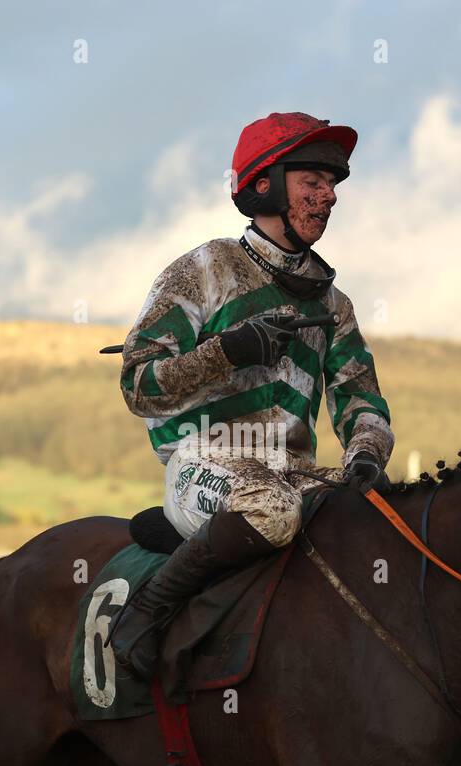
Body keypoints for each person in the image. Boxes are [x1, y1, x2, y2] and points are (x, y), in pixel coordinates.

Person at [110, 112, 395, 680]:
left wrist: (366, 453)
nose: (328, 197)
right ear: (264, 183)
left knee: (388, 518)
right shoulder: (204, 270)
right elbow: (137, 386)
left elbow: (360, 395)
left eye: (332, 185)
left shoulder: (333, 305)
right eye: (312, 183)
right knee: (272, 509)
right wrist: (227, 351)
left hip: (295, 470)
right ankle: (146, 611)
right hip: (201, 463)